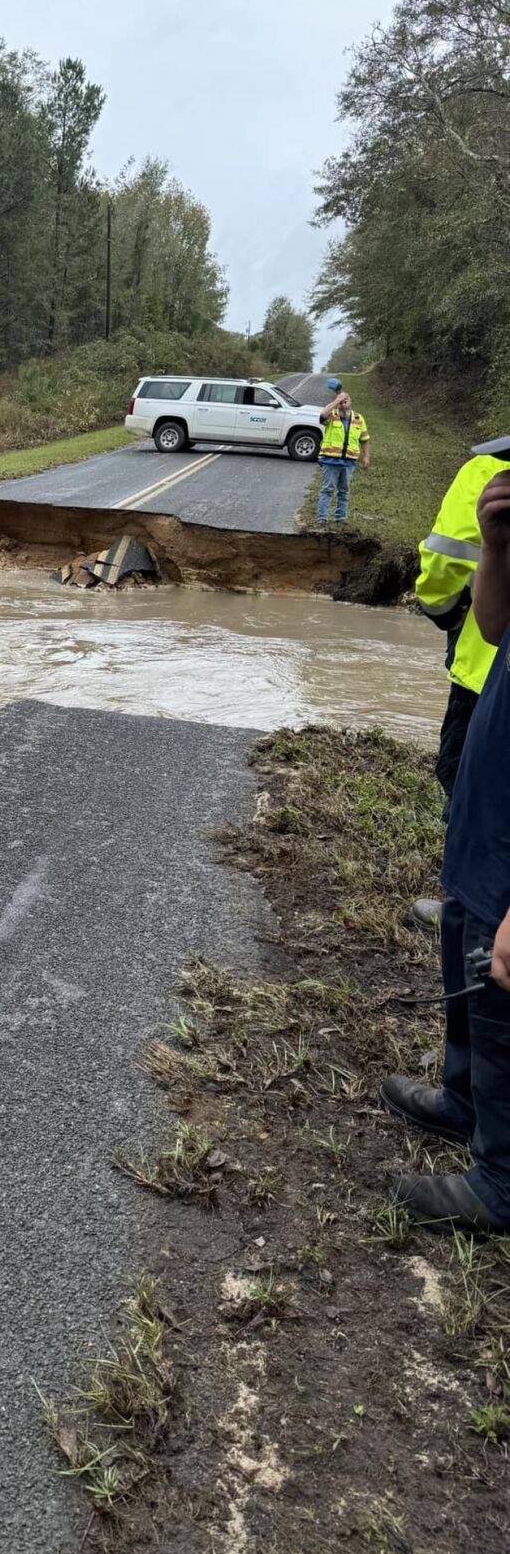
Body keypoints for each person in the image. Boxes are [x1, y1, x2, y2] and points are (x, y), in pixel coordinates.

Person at [382, 467, 510, 1234]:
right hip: (489, 791)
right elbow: (494, 627)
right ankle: (464, 1100)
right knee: (464, 935)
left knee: (500, 977)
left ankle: (502, 1174)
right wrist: (494, 548)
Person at [409, 437, 510, 928]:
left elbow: (442, 568)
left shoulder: (489, 468)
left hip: (482, 671)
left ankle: (468, 907)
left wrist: (447, 618)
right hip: (492, 648)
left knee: (471, 787)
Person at [315, 380, 371, 526]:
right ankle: (322, 519)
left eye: (346, 401)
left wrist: (366, 457)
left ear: (350, 402)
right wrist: (336, 400)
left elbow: (364, 439)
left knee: (344, 491)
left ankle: (340, 519)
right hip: (330, 460)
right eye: (341, 401)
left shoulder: (358, 418)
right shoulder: (332, 415)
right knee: (327, 489)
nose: (343, 404)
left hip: (349, 462)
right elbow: (322, 415)